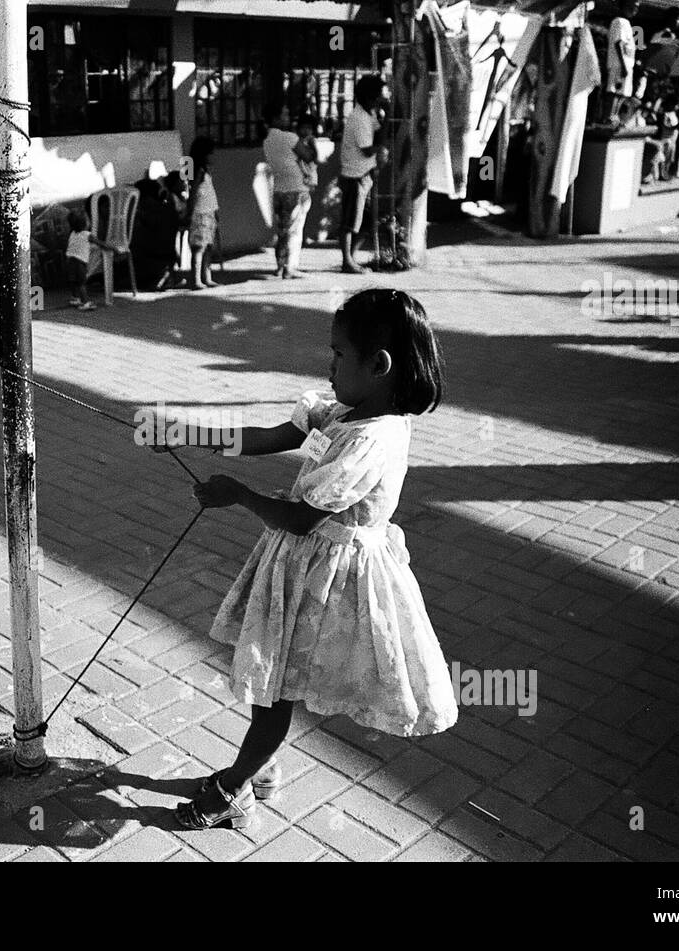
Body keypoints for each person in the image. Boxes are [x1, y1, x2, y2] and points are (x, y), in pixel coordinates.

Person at [155, 288, 458, 830]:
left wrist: (240, 495)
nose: (330, 364)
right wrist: (186, 433)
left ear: (379, 364)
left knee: (274, 692)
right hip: (302, 566)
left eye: (340, 354)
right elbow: (269, 437)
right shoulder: (345, 411)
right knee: (274, 686)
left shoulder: (372, 438)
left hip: (327, 583)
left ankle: (230, 792)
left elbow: (300, 519)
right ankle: (258, 768)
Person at [262, 101, 317, 279]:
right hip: (296, 190)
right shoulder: (290, 138)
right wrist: (311, 141)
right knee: (295, 230)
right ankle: (290, 267)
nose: (288, 117)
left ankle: (280, 265)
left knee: (282, 231)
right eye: (285, 114)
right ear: (276, 118)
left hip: (278, 190)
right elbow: (309, 156)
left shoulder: (267, 140)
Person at [339, 75, 387, 273]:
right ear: (370, 96)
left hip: (364, 175)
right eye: (379, 95)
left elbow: (378, 130)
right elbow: (368, 149)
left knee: (365, 222)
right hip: (355, 176)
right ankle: (347, 261)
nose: (381, 98)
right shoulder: (359, 118)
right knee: (351, 221)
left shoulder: (368, 115)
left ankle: (351, 257)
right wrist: (382, 149)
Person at [186, 136, 219, 291]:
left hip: (209, 211)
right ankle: (196, 279)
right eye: (211, 153)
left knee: (208, 246)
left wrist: (216, 211)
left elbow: (209, 193)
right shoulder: (197, 170)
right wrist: (189, 211)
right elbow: (192, 194)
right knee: (199, 247)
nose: (213, 156)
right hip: (200, 213)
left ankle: (207, 277)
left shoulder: (206, 171)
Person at [63, 208, 109, 311]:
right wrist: (112, 247)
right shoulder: (88, 235)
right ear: (85, 223)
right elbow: (101, 244)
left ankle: (75, 298)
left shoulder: (72, 233)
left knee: (73, 281)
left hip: (70, 260)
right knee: (81, 283)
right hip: (79, 262)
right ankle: (85, 302)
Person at [606, 0, 640, 120]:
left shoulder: (627, 23)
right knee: (614, 91)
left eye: (636, 8)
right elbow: (618, 43)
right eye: (632, 7)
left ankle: (614, 116)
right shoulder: (619, 21)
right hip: (619, 64)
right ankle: (610, 116)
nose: (634, 10)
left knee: (622, 93)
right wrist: (623, 66)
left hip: (626, 64)